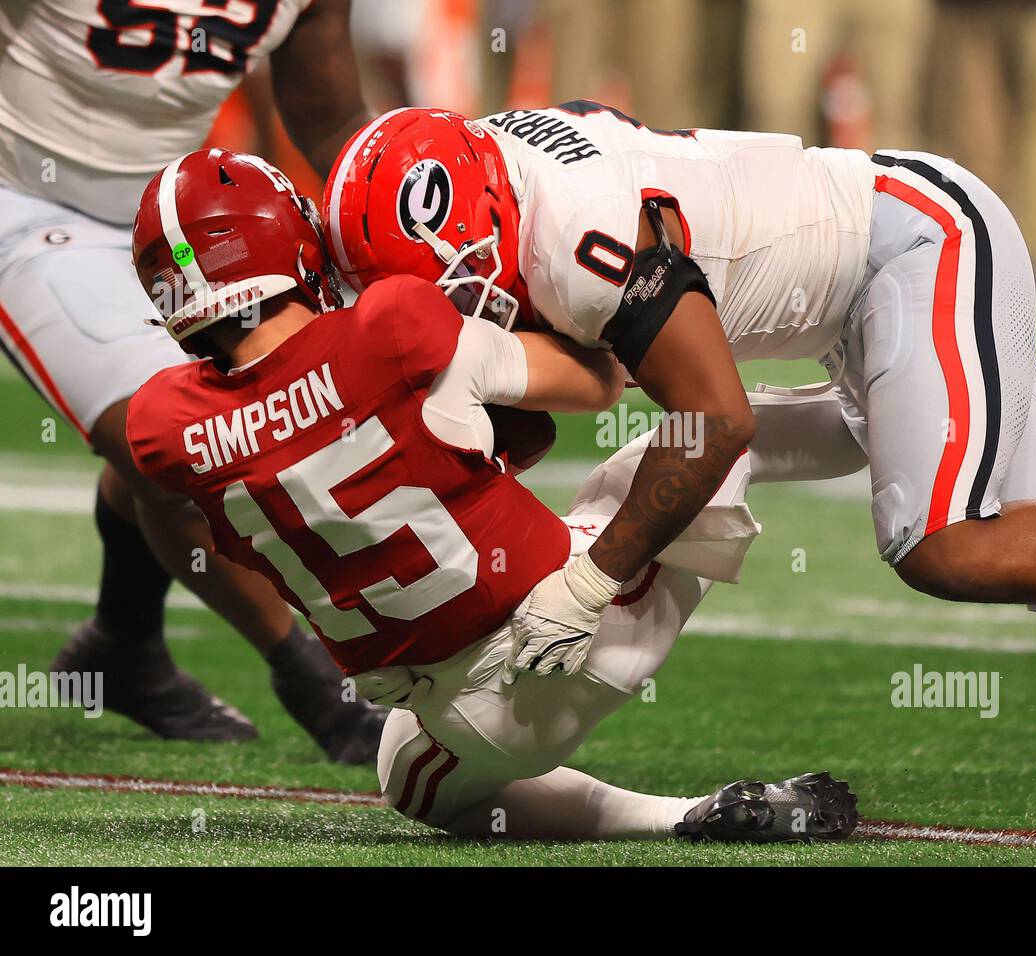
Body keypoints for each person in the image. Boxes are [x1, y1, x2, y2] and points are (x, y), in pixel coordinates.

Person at [324, 105, 1036, 719]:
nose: (455, 309)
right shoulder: (498, 165)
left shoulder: (581, 237)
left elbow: (715, 421)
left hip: (914, 250)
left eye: (455, 287)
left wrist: (590, 582)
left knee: (943, 546)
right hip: (850, 307)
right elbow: (613, 373)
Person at [124, 147, 860, 841]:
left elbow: (290, 476)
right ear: (289, 242)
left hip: (460, 713)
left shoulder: (162, 430)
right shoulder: (391, 327)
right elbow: (599, 384)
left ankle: (680, 817)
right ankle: (894, 421)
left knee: (408, 781)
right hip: (573, 630)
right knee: (715, 432)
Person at [0, 0, 382, 758]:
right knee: (176, 442)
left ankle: (122, 644)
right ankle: (326, 694)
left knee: (253, 407)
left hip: (172, 221)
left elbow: (329, 117)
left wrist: (393, 230)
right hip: (21, 198)